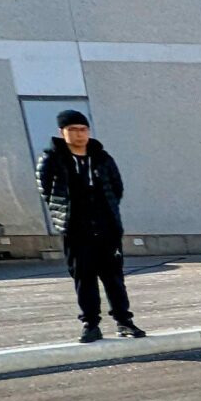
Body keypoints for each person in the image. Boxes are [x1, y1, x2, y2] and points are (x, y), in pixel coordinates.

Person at [34, 110, 145, 343]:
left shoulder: (102, 158)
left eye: (83, 129)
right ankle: (90, 324)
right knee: (84, 278)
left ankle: (124, 321)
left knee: (113, 277)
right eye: (72, 130)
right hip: (75, 230)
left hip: (107, 228)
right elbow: (46, 190)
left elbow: (117, 188)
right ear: (61, 132)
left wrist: (108, 215)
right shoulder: (52, 158)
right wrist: (64, 215)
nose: (78, 135)